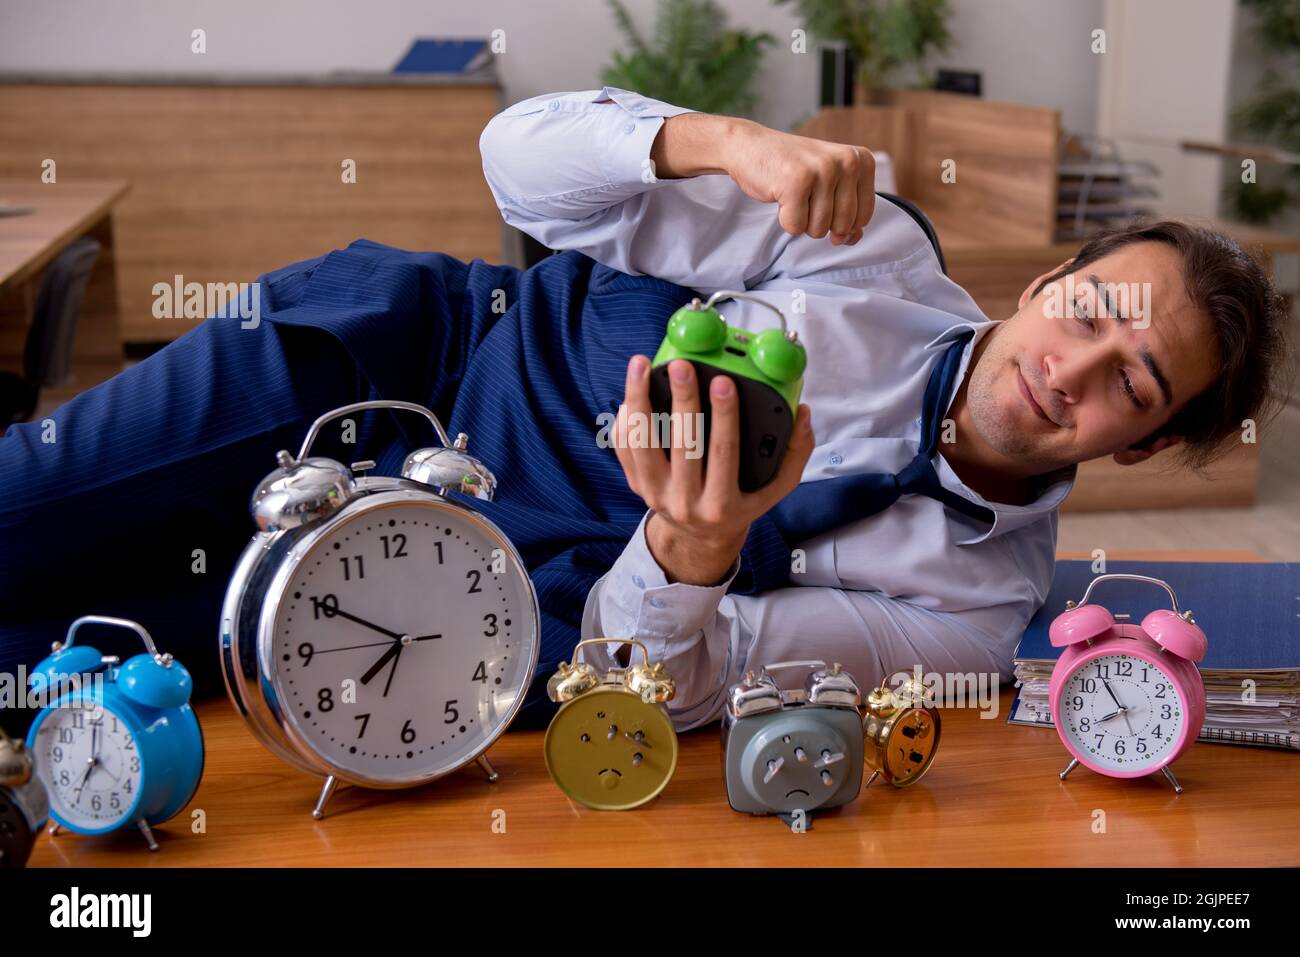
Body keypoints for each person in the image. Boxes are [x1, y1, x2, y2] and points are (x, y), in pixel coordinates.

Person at [0, 87, 1289, 732]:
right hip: (385, 373)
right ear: (1054, 278)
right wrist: (719, 141)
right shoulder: (870, 251)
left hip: (454, 618)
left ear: (1152, 440)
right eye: (1095, 311)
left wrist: (688, 557)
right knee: (24, 512)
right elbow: (517, 163)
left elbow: (657, 694)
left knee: (50, 674)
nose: (1074, 367)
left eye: (1134, 381)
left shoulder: (970, 620)